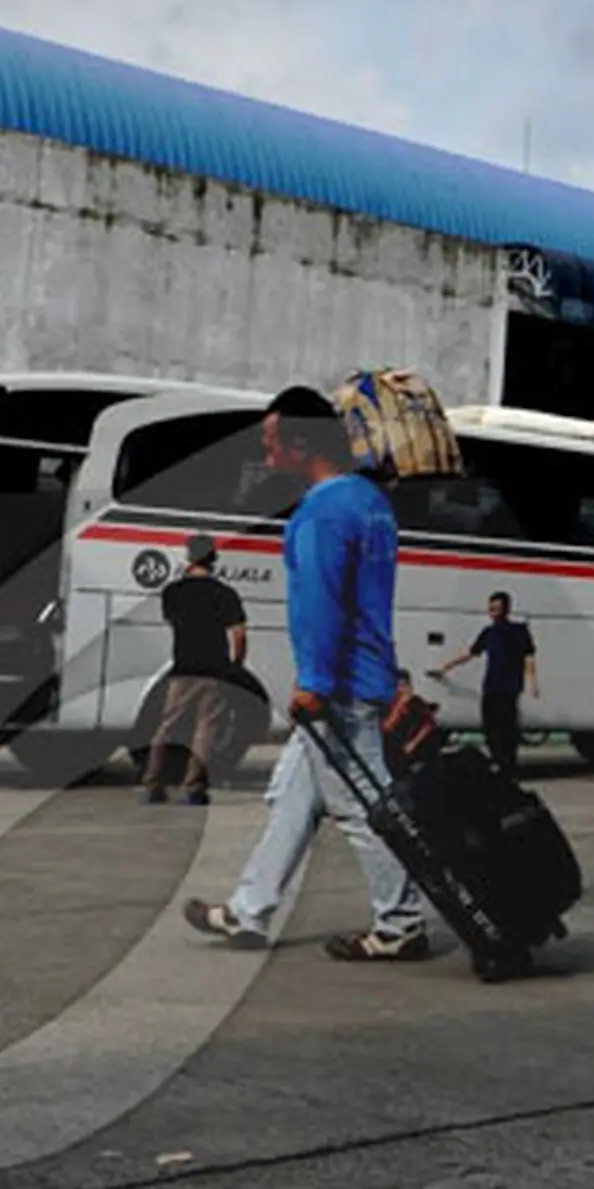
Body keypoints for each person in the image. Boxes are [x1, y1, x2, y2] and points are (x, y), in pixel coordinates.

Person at [182, 386, 430, 962]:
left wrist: (314, 683)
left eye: (271, 445)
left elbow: (324, 601)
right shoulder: (370, 501)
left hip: (338, 690)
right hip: (363, 678)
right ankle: (248, 911)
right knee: (294, 799)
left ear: (299, 443)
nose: (267, 458)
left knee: (365, 809)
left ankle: (401, 923)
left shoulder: (321, 511)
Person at [141, 533, 247, 807]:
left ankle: (153, 784)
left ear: (188, 556)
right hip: (214, 670)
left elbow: (172, 621)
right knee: (206, 730)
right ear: (214, 558)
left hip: (182, 668)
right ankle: (194, 788)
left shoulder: (173, 592)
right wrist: (236, 666)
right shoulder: (225, 593)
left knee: (167, 726)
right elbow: (239, 635)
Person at [434, 591, 539, 776]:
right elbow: (471, 654)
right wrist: (446, 667)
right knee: (491, 729)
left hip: (509, 688)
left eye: (496, 609)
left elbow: (529, 657)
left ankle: (507, 765)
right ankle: (501, 763)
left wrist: (533, 683)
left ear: (507, 609)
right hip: (491, 687)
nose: (493, 613)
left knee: (507, 730)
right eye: (491, 609)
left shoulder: (519, 631)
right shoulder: (489, 633)